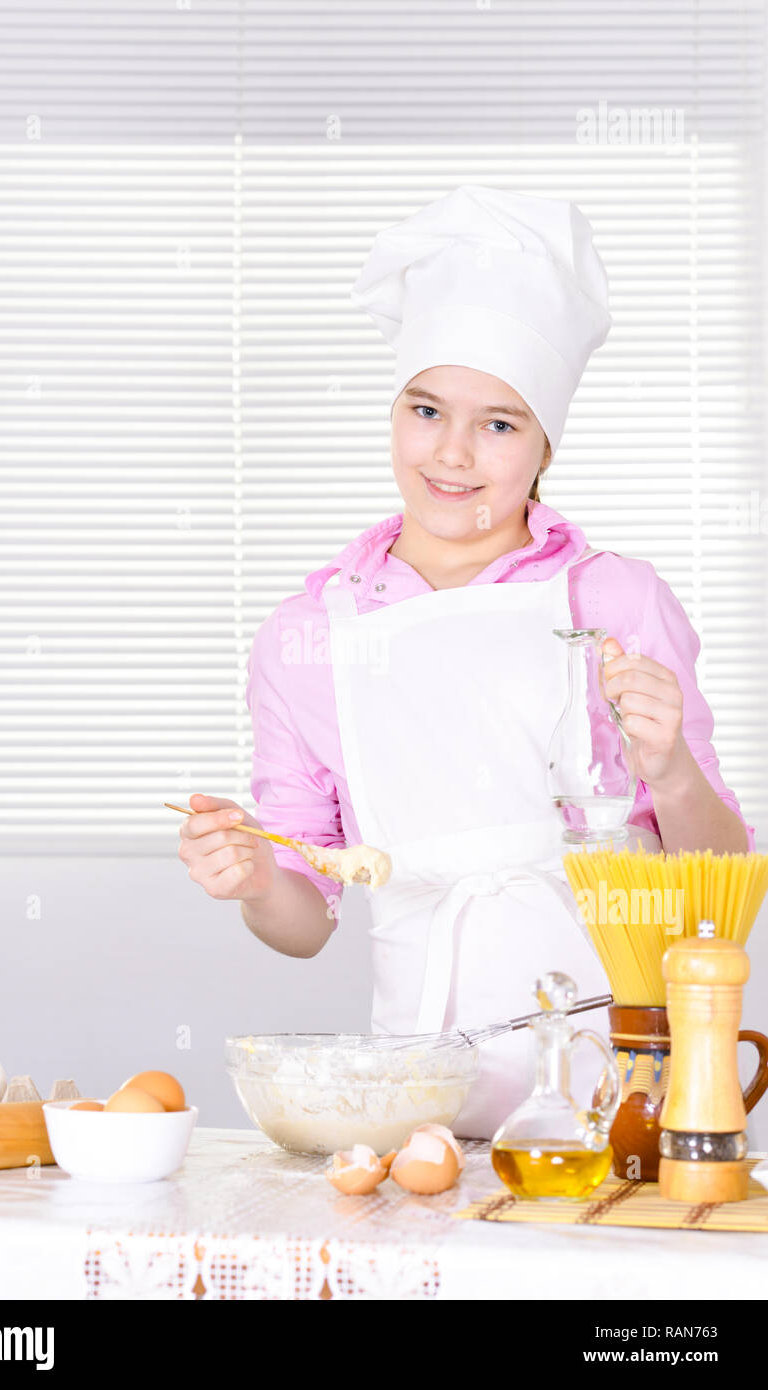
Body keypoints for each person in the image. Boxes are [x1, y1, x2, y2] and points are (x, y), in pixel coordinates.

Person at [178, 186, 755, 1138]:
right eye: (426, 409)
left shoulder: (614, 600)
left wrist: (670, 770)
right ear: (394, 410)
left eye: (498, 423)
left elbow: (716, 876)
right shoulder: (309, 633)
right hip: (416, 1094)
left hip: (625, 1085)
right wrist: (252, 878)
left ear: (542, 446)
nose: (451, 453)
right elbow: (305, 924)